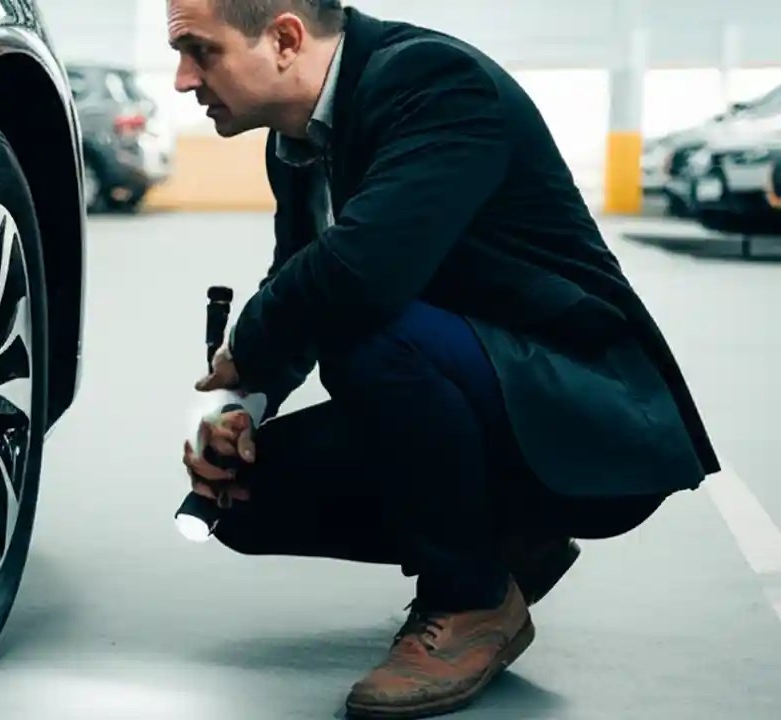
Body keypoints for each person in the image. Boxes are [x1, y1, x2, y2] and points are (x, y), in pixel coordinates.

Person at [169, 1, 719, 718]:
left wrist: (245, 346)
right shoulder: (297, 145)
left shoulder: (436, 82)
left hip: (585, 408)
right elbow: (298, 279)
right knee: (239, 498)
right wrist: (242, 410)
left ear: (284, 39)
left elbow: (362, 271)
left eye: (200, 52)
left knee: (367, 330)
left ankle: (472, 598)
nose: (182, 80)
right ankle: (515, 545)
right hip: (471, 384)